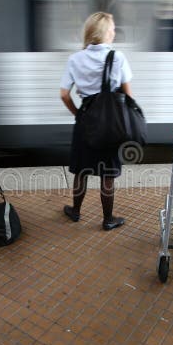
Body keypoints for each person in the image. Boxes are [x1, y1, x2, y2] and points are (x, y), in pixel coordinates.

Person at [59, 12, 133, 231]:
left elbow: (64, 94)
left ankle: (75, 211)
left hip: (85, 118)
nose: (114, 33)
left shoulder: (75, 59)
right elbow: (128, 96)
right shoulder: (117, 58)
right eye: (112, 29)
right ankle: (108, 219)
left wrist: (78, 114)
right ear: (106, 32)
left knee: (81, 170)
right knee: (107, 173)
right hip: (110, 121)